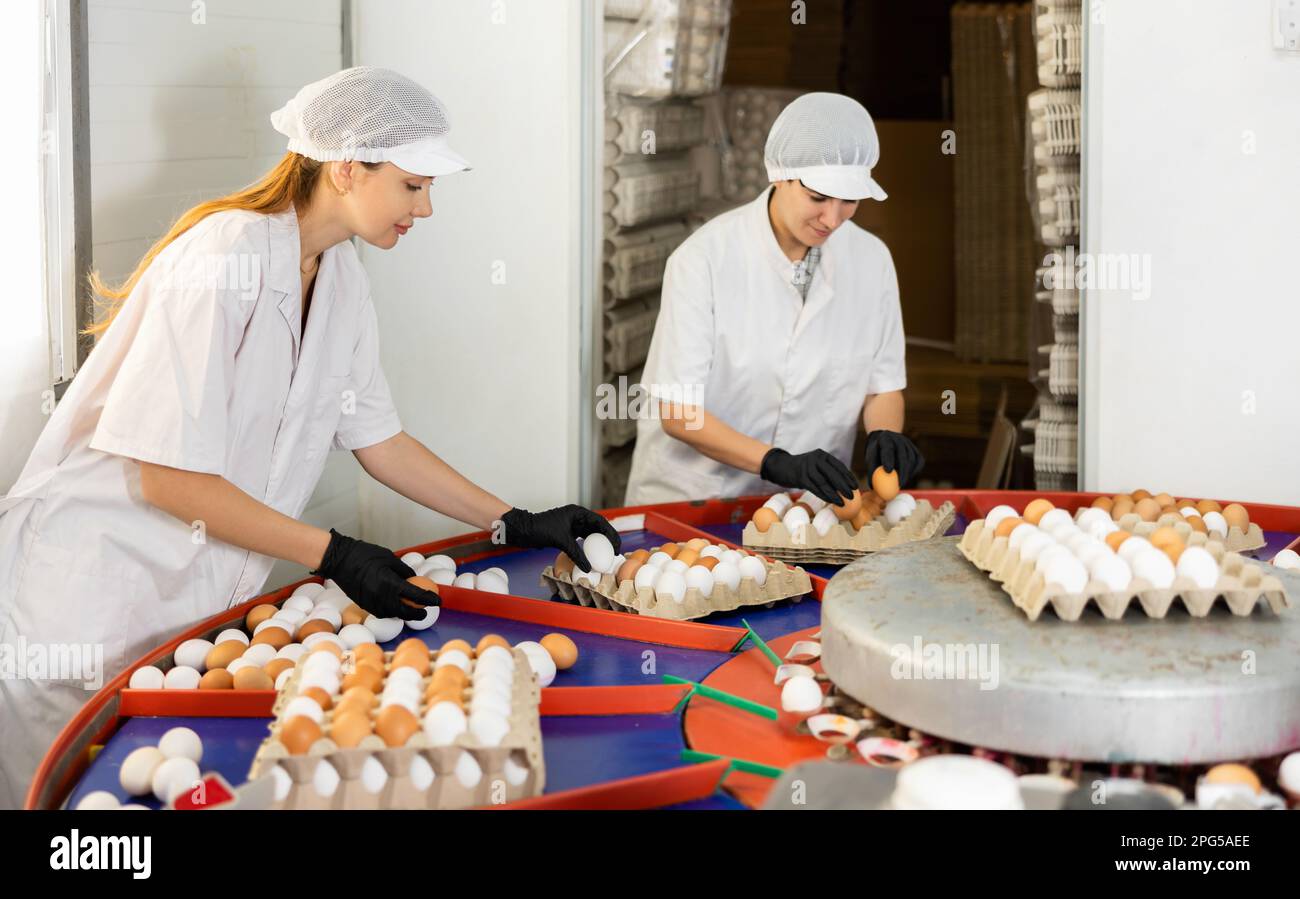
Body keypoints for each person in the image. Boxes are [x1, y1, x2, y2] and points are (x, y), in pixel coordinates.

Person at [0, 67, 617, 808]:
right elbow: (168, 479)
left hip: (175, 621)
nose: (426, 208)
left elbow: (379, 438)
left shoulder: (343, 277)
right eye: (414, 185)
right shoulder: (222, 257)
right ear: (348, 166)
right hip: (84, 603)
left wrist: (511, 517)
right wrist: (333, 553)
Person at [624, 92, 924, 507]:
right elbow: (678, 412)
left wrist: (884, 433)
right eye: (818, 197)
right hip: (697, 499)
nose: (833, 218)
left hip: (806, 506)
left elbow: (883, 387)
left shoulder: (871, 260)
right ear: (779, 174)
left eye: (850, 200)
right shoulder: (704, 260)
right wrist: (777, 463)